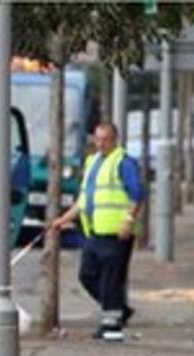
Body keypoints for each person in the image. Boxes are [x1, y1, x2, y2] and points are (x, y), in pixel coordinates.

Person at [52, 122, 145, 341]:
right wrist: (63, 219)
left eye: (106, 139)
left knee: (110, 279)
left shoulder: (122, 162)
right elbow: (84, 200)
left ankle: (111, 325)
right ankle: (119, 309)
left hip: (116, 233)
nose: (101, 143)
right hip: (94, 231)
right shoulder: (92, 162)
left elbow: (137, 193)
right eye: (98, 139)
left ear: (115, 140)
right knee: (87, 275)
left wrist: (129, 220)